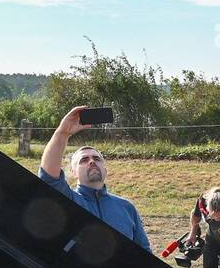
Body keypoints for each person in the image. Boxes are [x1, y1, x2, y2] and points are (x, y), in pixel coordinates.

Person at [39, 106, 150, 250]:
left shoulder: (127, 208)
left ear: (105, 169)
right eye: (84, 160)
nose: (92, 161)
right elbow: (48, 176)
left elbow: (144, 252)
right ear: (73, 172)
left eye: (97, 159)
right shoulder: (67, 199)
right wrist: (63, 132)